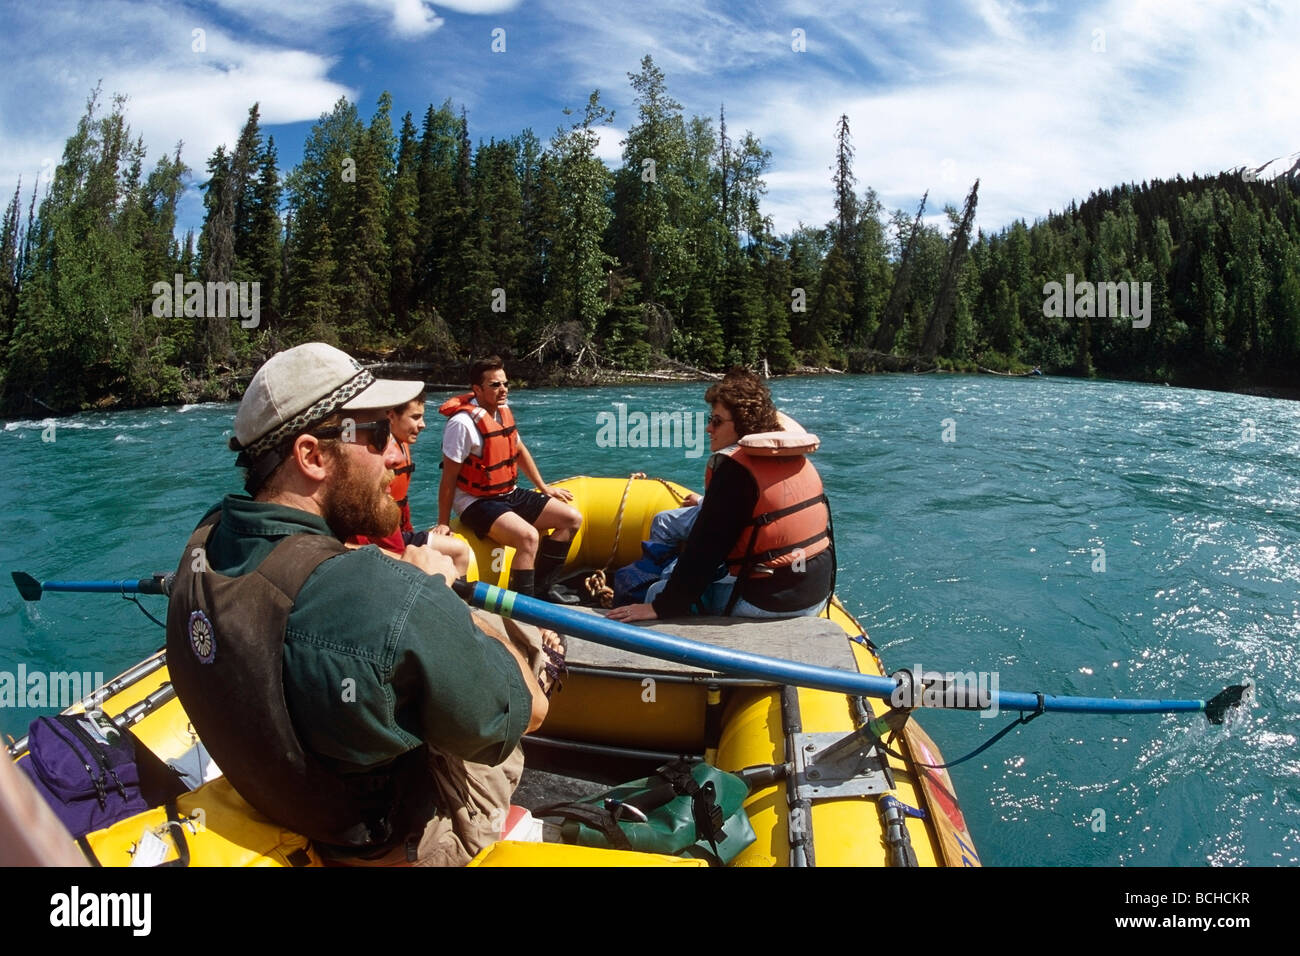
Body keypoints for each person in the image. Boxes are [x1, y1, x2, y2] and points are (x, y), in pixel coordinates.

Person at [165, 342, 558, 866]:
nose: (397, 455)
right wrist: (438, 596)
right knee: (521, 656)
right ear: (310, 455)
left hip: (285, 799)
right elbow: (528, 713)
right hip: (397, 842)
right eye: (377, 434)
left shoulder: (207, 537)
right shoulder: (384, 597)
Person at [607, 368, 833, 622]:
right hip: (814, 589)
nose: (707, 428)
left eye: (716, 421)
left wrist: (661, 607)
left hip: (767, 602)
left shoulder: (736, 472)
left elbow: (704, 552)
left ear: (744, 424)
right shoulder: (794, 458)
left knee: (656, 591)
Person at [435, 355, 582, 600]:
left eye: (505, 383)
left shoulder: (502, 412)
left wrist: (543, 486)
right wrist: (442, 521)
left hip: (508, 493)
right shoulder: (461, 424)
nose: (503, 389)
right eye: (495, 385)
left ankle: (542, 590)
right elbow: (449, 478)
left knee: (571, 519)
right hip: (475, 502)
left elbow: (519, 450)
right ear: (477, 389)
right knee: (528, 537)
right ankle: (521, 608)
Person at [351, 396, 471, 577]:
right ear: (391, 417)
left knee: (458, 548)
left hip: (397, 532)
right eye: (415, 417)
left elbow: (399, 503)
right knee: (459, 551)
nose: (422, 425)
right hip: (382, 540)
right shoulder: (379, 459)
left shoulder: (400, 444)